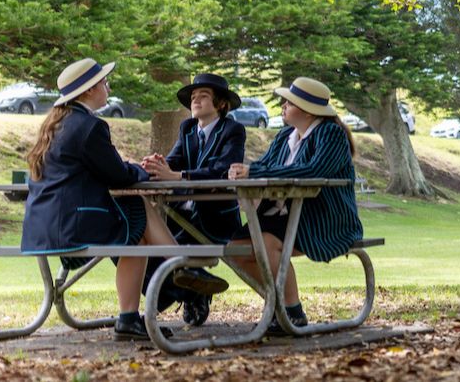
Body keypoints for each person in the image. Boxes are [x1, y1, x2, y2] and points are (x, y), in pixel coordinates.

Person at [21, 58, 214, 340]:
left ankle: (131, 316)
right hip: (72, 226)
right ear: (88, 91)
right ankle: (183, 265)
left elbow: (104, 170)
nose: (108, 87)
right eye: (103, 83)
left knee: (136, 230)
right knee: (138, 211)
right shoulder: (89, 126)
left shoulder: (59, 123)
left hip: (42, 227)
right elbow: (119, 174)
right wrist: (143, 170)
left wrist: (130, 168)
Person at [226, 77, 363, 336]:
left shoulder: (330, 134)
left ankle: (293, 311)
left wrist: (253, 172)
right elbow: (265, 165)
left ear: (307, 109)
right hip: (280, 215)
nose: (283, 105)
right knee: (234, 249)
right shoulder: (285, 136)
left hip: (321, 218)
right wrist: (244, 171)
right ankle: (279, 307)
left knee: (266, 243)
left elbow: (314, 170)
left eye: (289, 101)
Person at [141, 72, 247, 327]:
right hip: (180, 218)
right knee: (141, 247)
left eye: (203, 96)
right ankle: (192, 290)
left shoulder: (233, 130)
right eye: (193, 96)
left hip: (215, 219)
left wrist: (177, 175)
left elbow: (222, 169)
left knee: (162, 253)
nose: (195, 100)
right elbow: (174, 161)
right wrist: (156, 166)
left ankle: (188, 290)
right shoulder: (187, 128)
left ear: (221, 104)